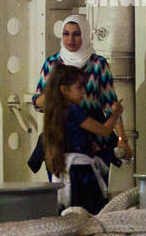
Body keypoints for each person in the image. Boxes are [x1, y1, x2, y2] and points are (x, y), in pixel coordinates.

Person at [30, 13, 131, 161]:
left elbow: (110, 104)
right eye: (66, 34)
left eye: (77, 34)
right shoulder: (52, 64)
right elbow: (38, 102)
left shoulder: (98, 64)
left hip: (94, 136)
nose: (71, 39)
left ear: (85, 35)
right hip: (61, 136)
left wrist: (122, 139)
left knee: (93, 181)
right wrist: (56, 95)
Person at [41, 64, 124, 215]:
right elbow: (104, 130)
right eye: (80, 88)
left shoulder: (54, 113)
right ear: (64, 90)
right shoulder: (74, 111)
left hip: (64, 170)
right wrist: (116, 114)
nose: (84, 92)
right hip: (80, 172)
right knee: (89, 215)